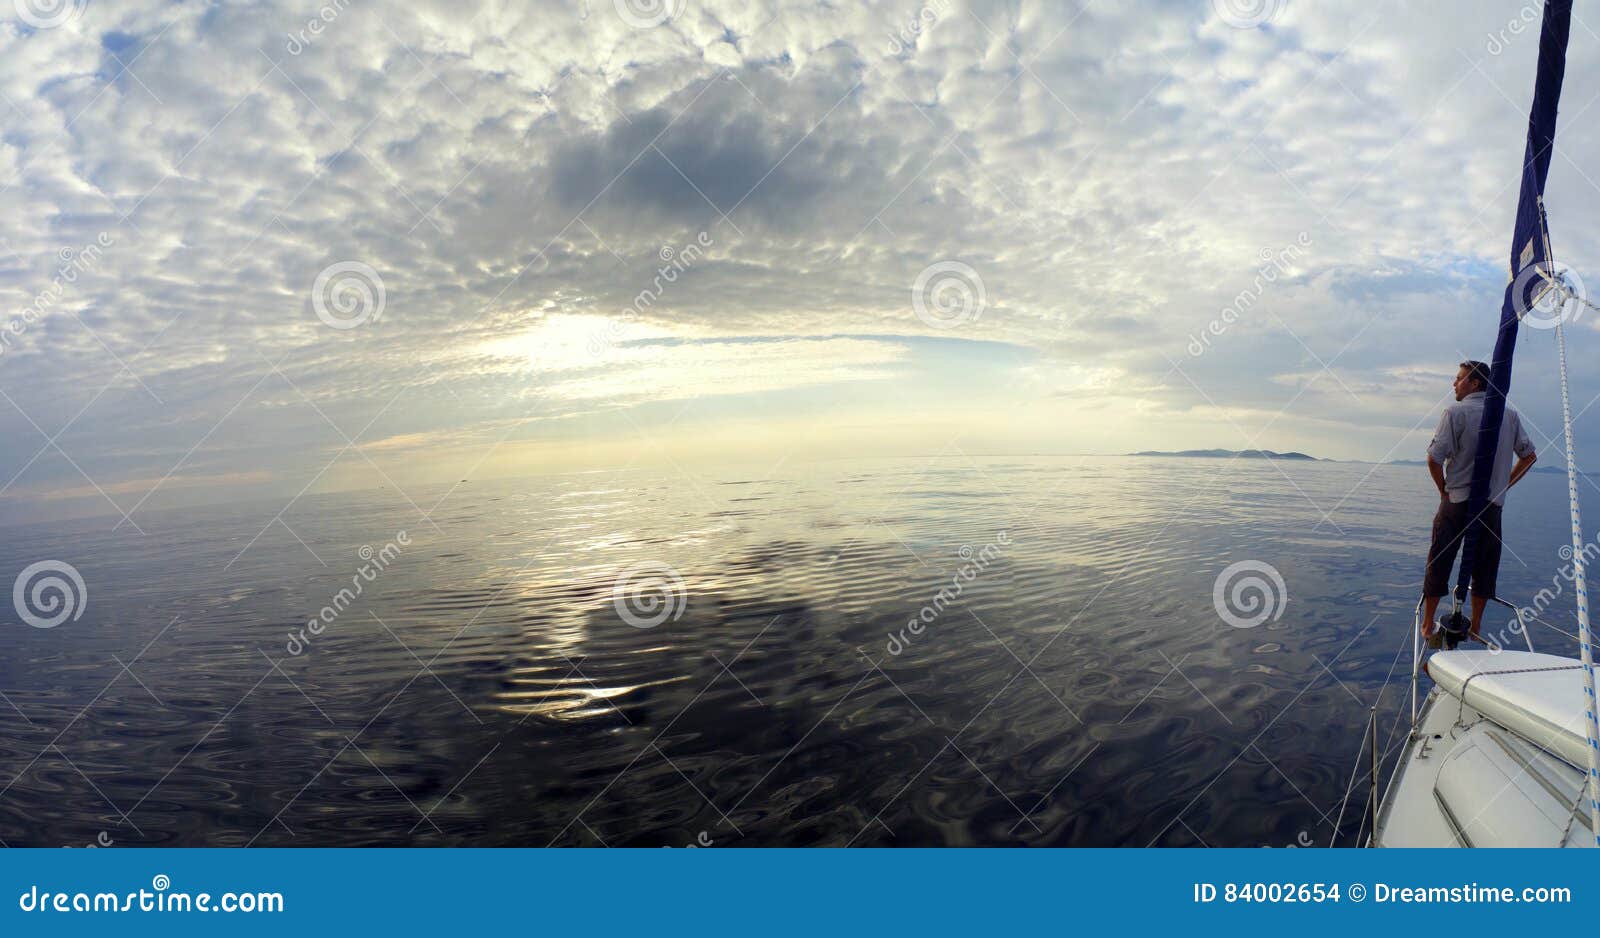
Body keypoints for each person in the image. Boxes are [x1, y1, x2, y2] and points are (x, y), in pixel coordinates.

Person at [1422, 360, 1538, 645]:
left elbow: (1434, 459)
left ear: (1475, 383)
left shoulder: (1454, 412)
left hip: (1456, 502)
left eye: (1459, 378)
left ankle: (1427, 625)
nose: (1454, 383)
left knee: (1439, 560)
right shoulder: (1509, 416)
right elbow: (1529, 456)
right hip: (1490, 506)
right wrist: (1504, 485)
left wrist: (1443, 490)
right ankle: (1476, 628)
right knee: (1485, 565)